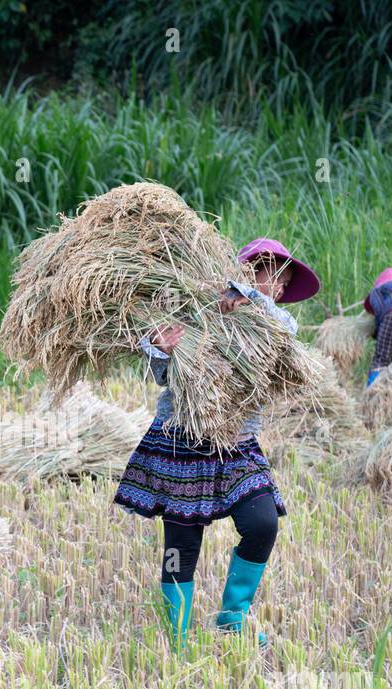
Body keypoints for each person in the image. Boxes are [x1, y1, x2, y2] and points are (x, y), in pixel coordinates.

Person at [113, 237, 320, 652]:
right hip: (181, 443)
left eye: (285, 284)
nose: (278, 289)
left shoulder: (274, 322)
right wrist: (162, 349)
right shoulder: (195, 313)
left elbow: (281, 328)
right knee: (181, 545)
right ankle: (177, 637)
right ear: (247, 271)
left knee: (263, 523)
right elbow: (161, 375)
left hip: (236, 443)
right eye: (272, 277)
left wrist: (245, 297)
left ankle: (232, 617)